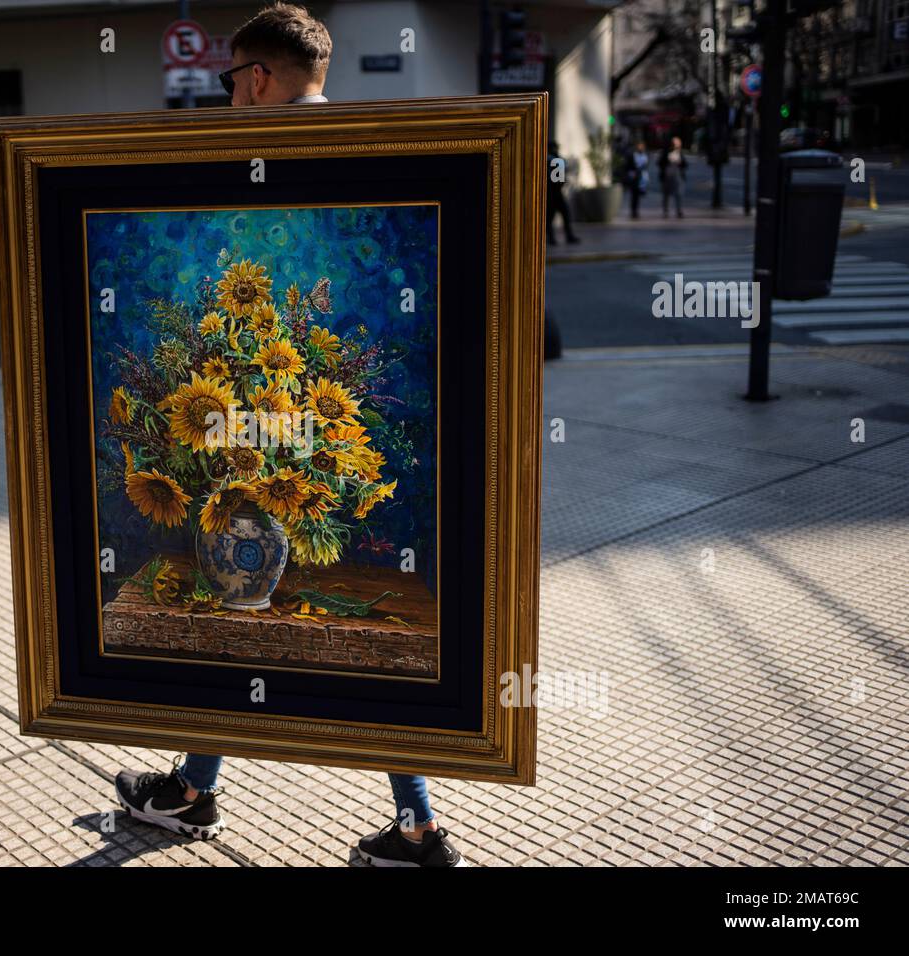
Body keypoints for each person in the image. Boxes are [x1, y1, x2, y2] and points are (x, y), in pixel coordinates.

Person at [113, 3, 468, 868]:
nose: (228, 97)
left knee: (250, 605)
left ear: (258, 79)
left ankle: (408, 828)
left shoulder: (232, 169)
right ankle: (201, 792)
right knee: (366, 644)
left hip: (300, 452)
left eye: (232, 81)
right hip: (376, 460)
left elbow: (209, 287)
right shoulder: (400, 149)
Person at [546, 140, 580, 245]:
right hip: (555, 193)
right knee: (562, 215)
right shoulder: (557, 160)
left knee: (551, 217)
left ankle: (552, 238)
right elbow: (560, 180)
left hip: (550, 193)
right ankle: (565, 237)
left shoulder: (546, 159)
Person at [658, 136, 688, 218]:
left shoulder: (680, 153)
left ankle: (679, 211)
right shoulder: (665, 152)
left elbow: (685, 164)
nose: (676, 146)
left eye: (678, 144)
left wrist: (679, 162)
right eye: (675, 144)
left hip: (678, 176)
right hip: (667, 176)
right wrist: (668, 160)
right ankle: (666, 211)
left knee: (679, 194)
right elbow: (660, 162)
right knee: (666, 195)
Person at [622, 140, 649, 219]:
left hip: (641, 177)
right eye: (639, 146)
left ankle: (636, 211)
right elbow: (627, 166)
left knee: (639, 195)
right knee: (634, 195)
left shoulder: (645, 155)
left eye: (642, 146)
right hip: (633, 177)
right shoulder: (632, 155)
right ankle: (633, 212)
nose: (641, 147)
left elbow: (646, 165)